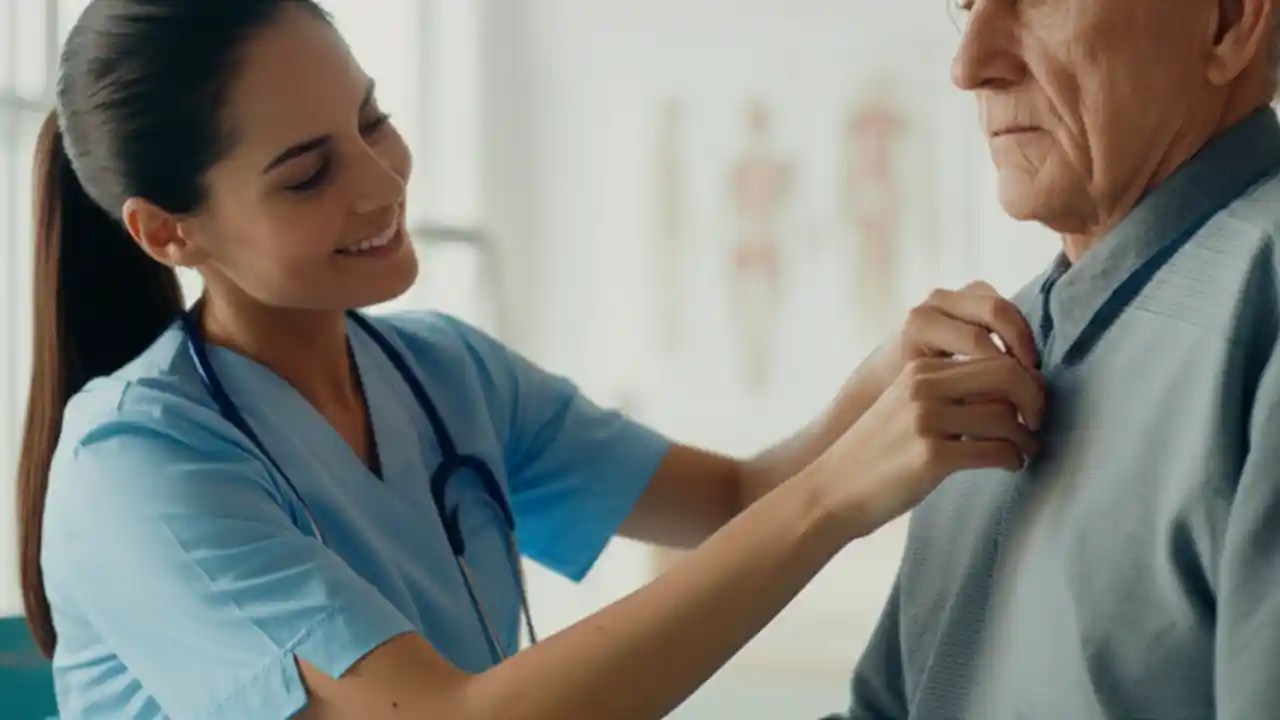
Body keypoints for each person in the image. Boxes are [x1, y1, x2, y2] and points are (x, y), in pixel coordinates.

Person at [15, 2, 1047, 718]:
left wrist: (877, 381)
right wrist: (836, 497)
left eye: (372, 120)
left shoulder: (442, 375)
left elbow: (729, 501)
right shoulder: (137, 471)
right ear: (168, 234)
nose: (379, 183)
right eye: (307, 173)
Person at [842, 0, 1280, 718]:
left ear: (1228, 21)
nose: (970, 65)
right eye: (966, 3)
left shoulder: (1263, 310)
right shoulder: (973, 360)